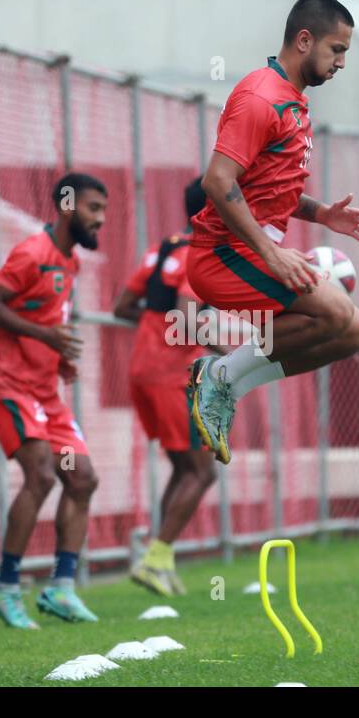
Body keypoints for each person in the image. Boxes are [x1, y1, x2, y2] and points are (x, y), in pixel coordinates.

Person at [187, 0, 359, 464]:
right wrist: (271, 254)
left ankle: (225, 383)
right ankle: (220, 379)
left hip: (249, 251)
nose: (342, 62)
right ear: (305, 40)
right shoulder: (260, 95)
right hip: (222, 254)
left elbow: (263, 190)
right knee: (335, 312)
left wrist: (321, 214)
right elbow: (217, 180)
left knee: (355, 332)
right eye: (337, 49)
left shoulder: (293, 102)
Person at [0, 173, 105, 628]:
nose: (100, 219)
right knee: (42, 474)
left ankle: (61, 588)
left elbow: (48, 316)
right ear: (68, 206)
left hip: (45, 391)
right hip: (7, 386)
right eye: (94, 209)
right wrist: (44, 336)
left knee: (83, 477)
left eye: (104, 211)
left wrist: (58, 357)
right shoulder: (32, 252)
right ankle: (5, 585)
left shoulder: (71, 262)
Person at [118, 178, 217, 595]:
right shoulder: (202, 255)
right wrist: (228, 353)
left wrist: (154, 327)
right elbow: (187, 315)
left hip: (143, 368)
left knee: (183, 468)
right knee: (203, 471)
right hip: (174, 375)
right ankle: (155, 558)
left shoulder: (162, 248)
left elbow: (122, 307)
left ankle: (160, 560)